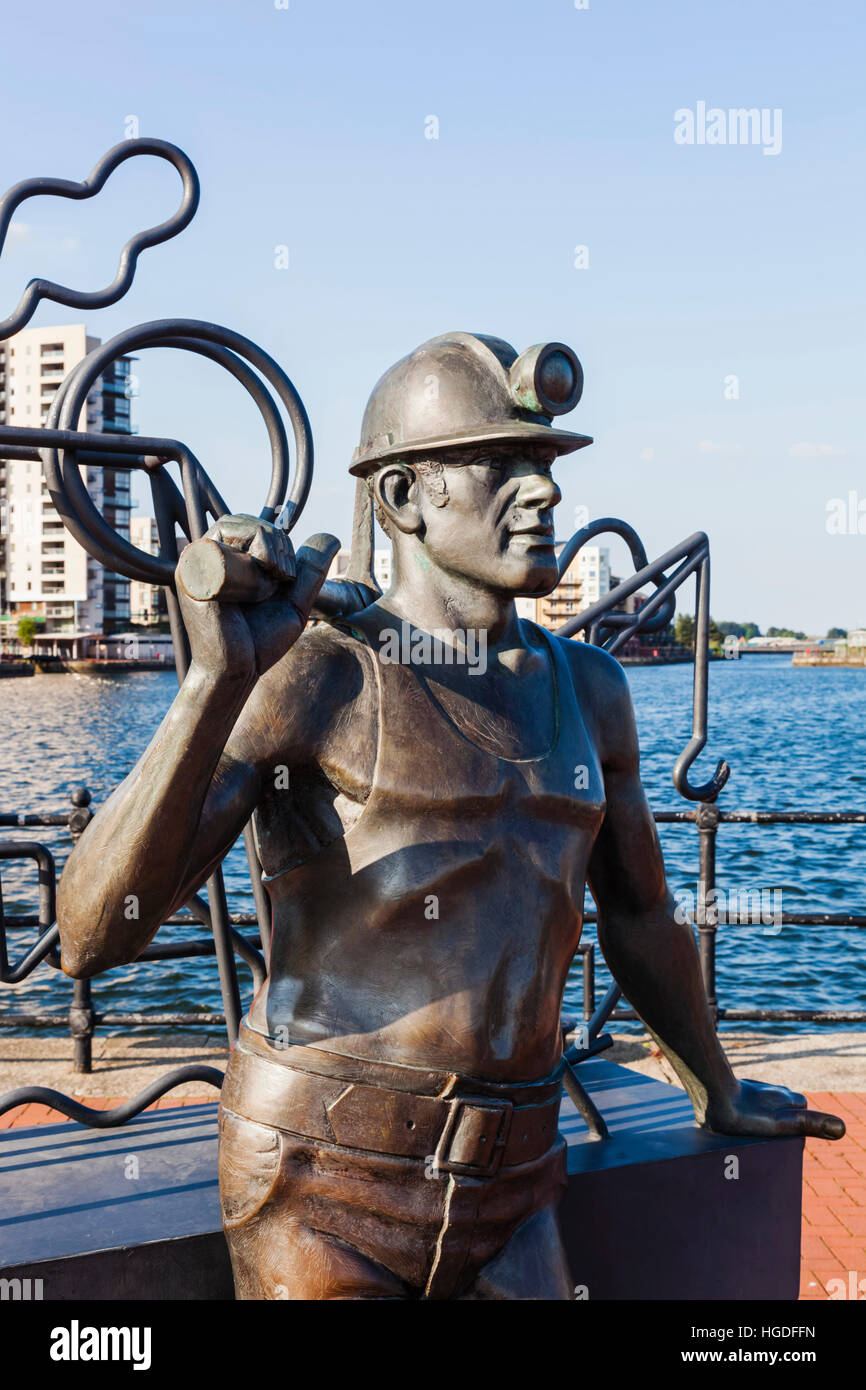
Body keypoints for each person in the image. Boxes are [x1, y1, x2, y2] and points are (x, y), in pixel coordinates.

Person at [57, 332, 844, 1300]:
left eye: (544, 465)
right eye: (499, 465)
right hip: (320, 1165)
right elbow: (91, 938)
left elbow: (639, 912)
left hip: (515, 1172)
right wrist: (216, 683)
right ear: (400, 498)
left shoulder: (589, 688)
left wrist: (713, 1085)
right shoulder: (317, 675)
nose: (544, 492)